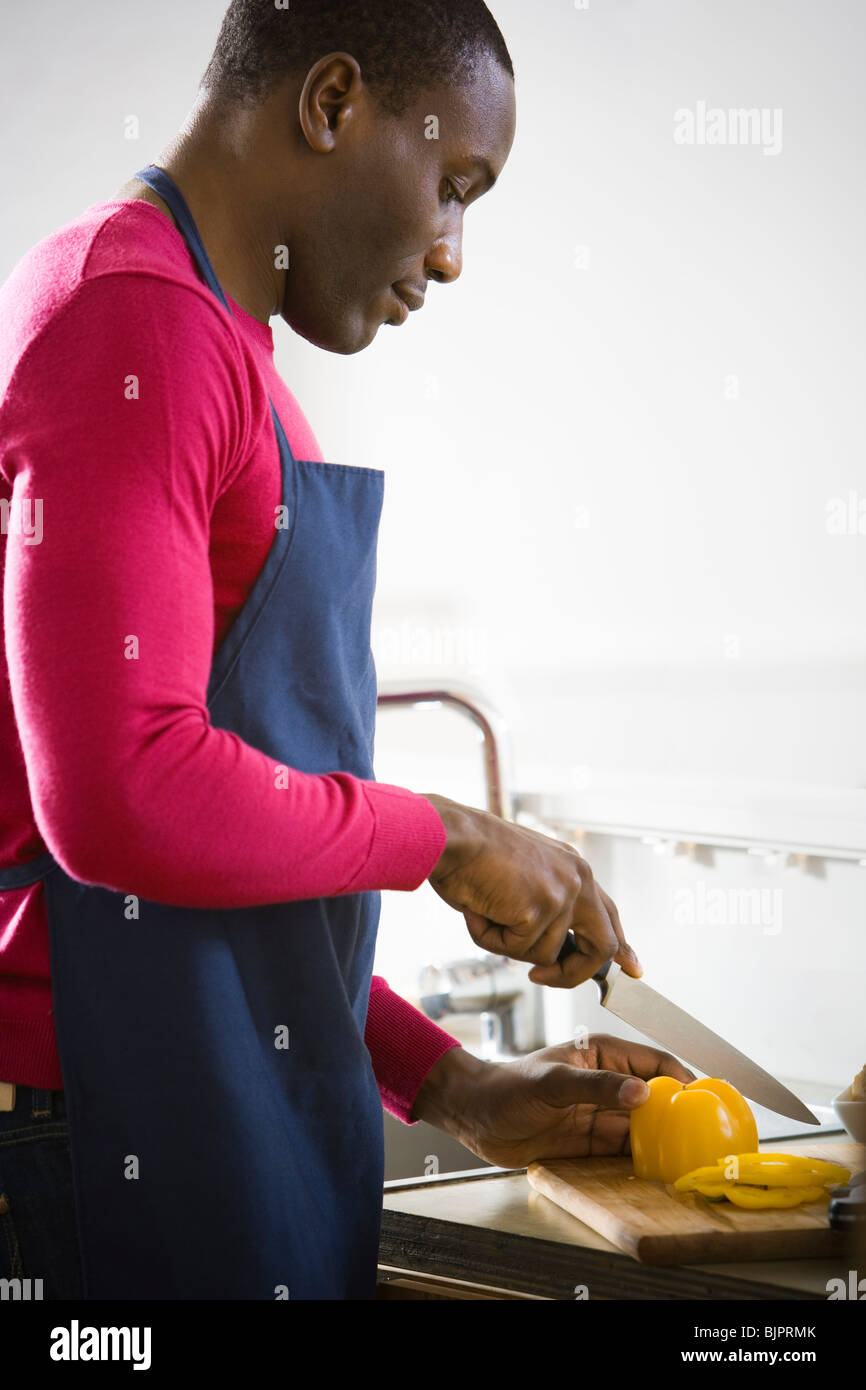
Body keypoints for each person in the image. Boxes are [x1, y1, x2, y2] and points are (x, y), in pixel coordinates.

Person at [0, 0, 693, 1301]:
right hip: (79, 1143)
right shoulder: (130, 323)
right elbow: (118, 799)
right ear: (330, 104)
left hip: (182, 1105)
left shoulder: (232, 360)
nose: (450, 253)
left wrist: (454, 1082)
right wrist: (453, 836)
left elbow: (228, 862)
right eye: (453, 185)